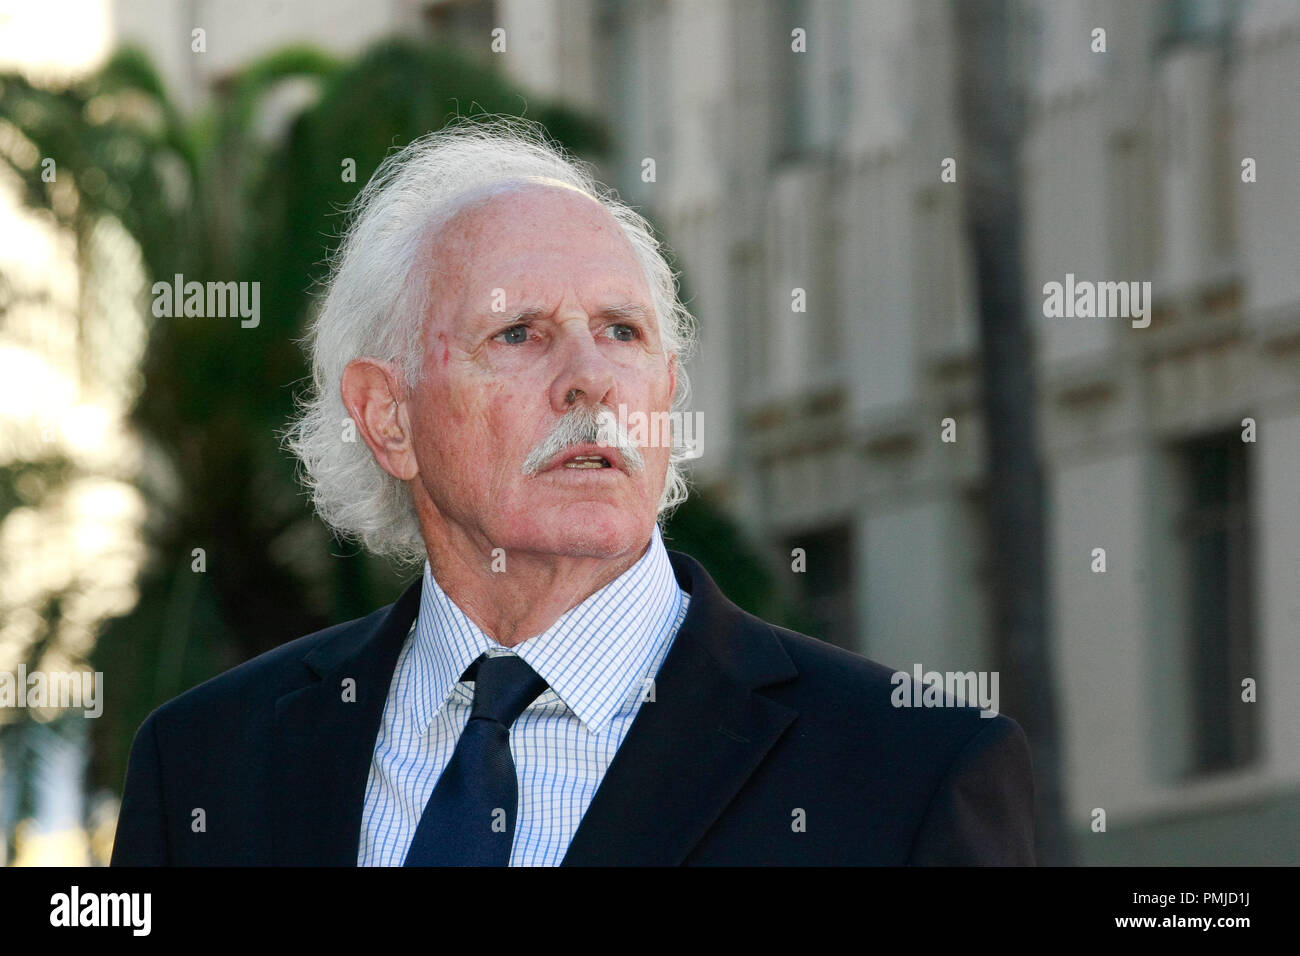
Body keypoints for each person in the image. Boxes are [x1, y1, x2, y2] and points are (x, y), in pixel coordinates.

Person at [110, 117, 1035, 866]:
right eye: (518, 334)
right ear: (388, 415)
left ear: (667, 388)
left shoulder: (908, 772)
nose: (591, 379)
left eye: (623, 331)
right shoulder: (206, 767)